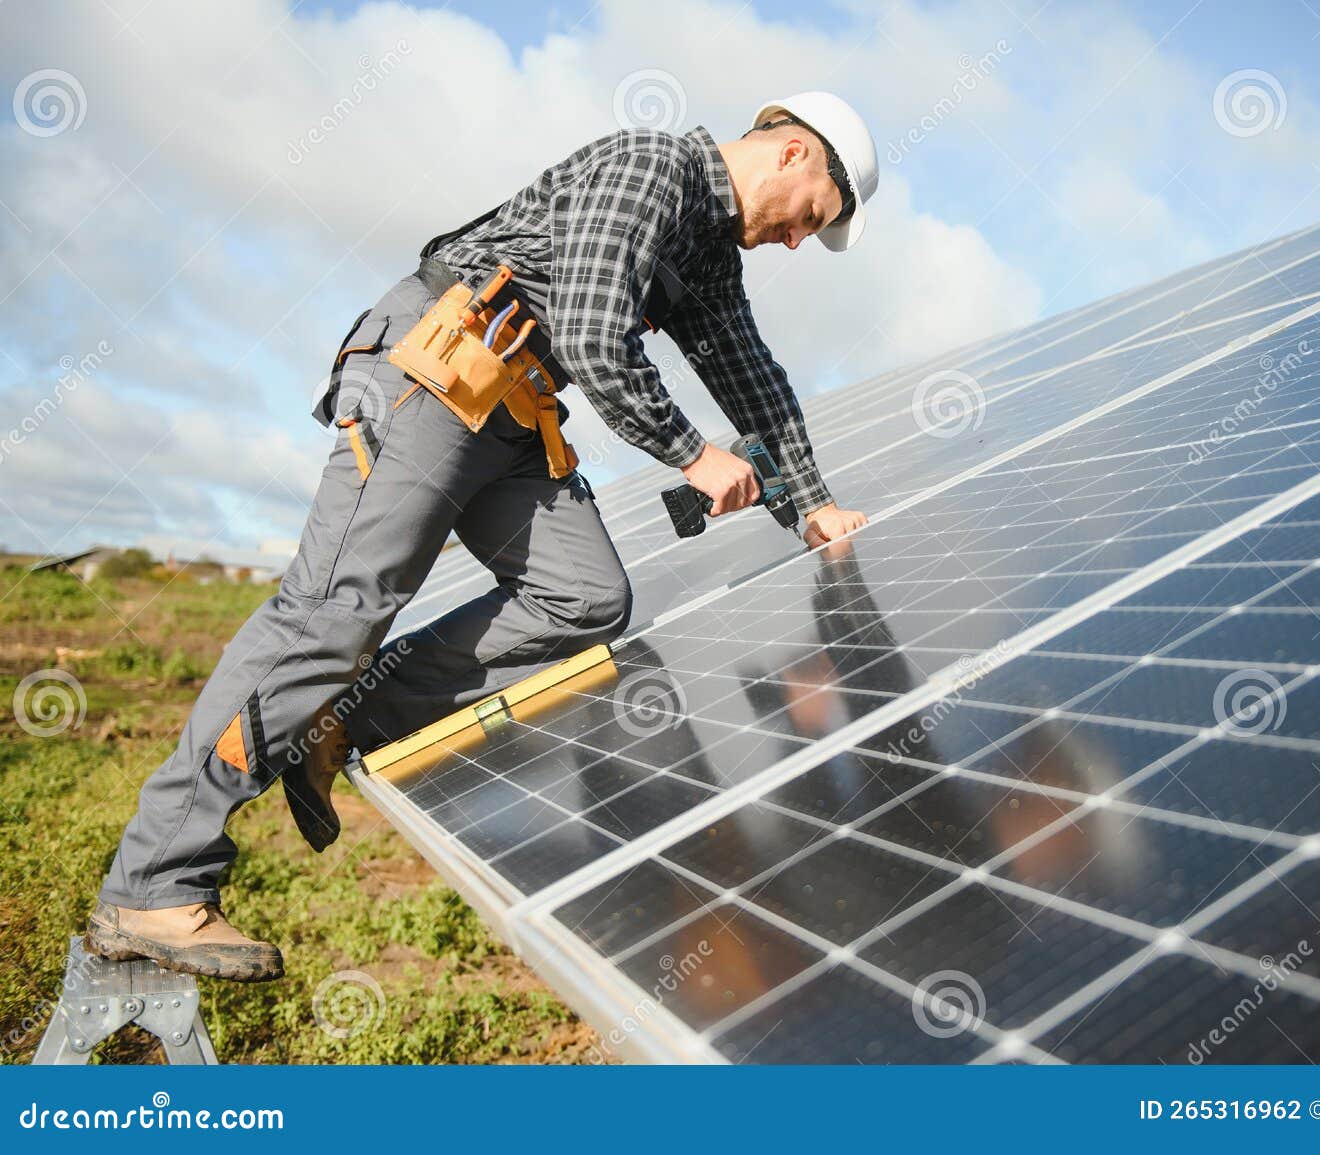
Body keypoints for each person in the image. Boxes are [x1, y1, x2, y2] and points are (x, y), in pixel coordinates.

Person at [85, 92, 879, 981]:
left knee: (585, 596)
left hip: (513, 413)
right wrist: (692, 454)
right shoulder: (652, 167)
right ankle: (154, 879)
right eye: (814, 217)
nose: (801, 241)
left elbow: (752, 375)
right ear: (791, 154)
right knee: (334, 613)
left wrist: (813, 503)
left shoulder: (706, 252)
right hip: (436, 368)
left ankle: (347, 719)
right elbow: (589, 326)